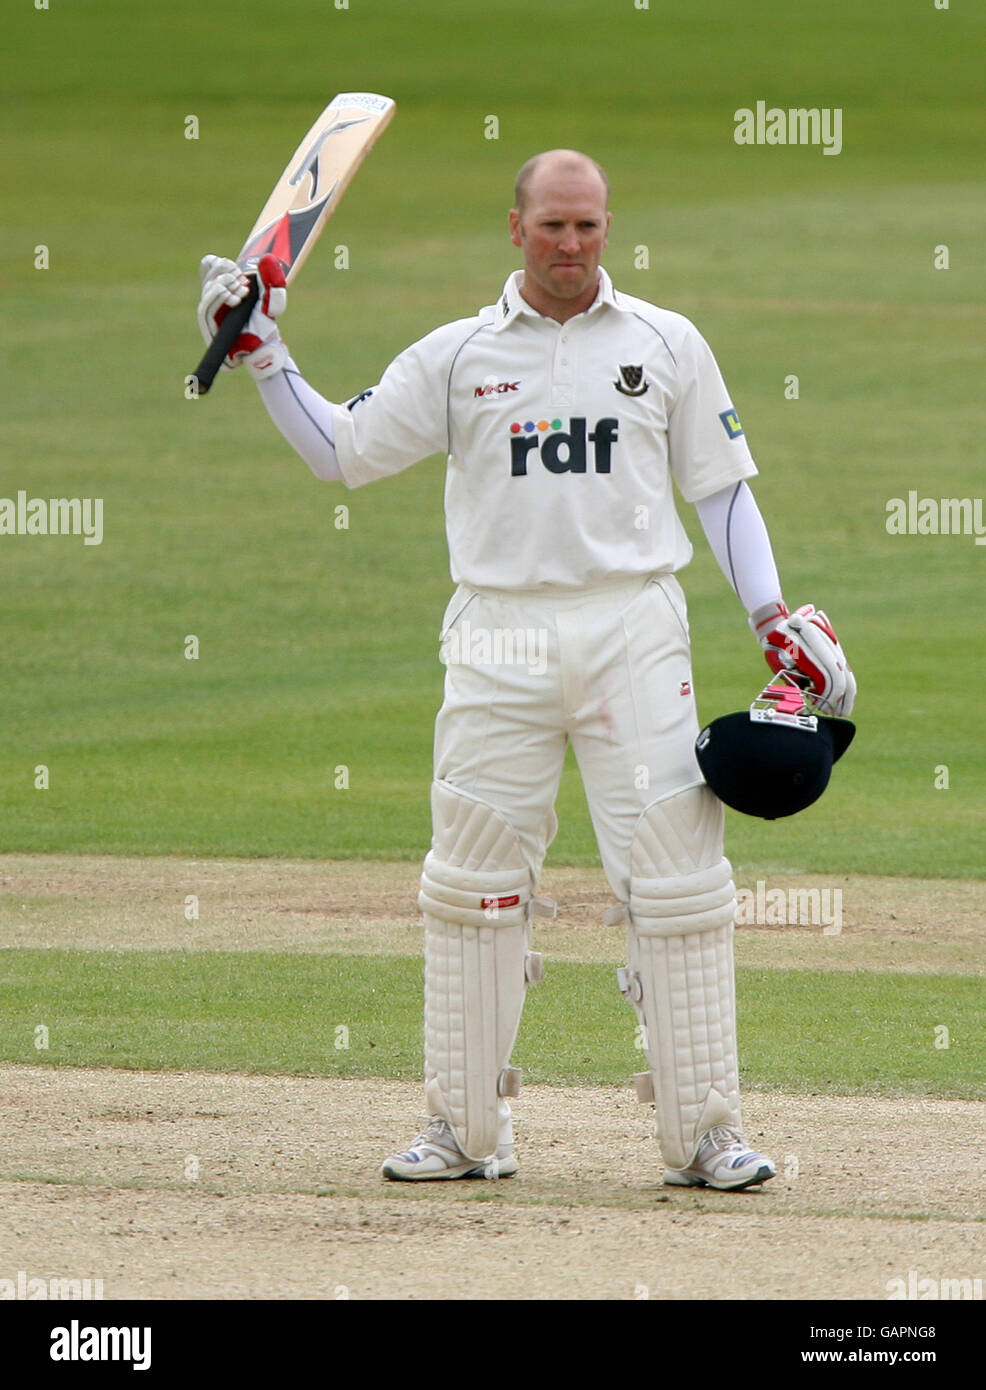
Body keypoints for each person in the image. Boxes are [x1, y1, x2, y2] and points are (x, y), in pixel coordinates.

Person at [197, 149, 855, 1191]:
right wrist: (265, 353)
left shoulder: (664, 344)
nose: (570, 246)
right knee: (472, 881)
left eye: (588, 226)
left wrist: (769, 612)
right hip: (495, 631)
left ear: (608, 228)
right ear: (514, 228)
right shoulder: (459, 356)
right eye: (551, 226)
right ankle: (463, 1130)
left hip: (632, 623)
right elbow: (342, 452)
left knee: (676, 878)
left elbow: (720, 493)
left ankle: (704, 1135)